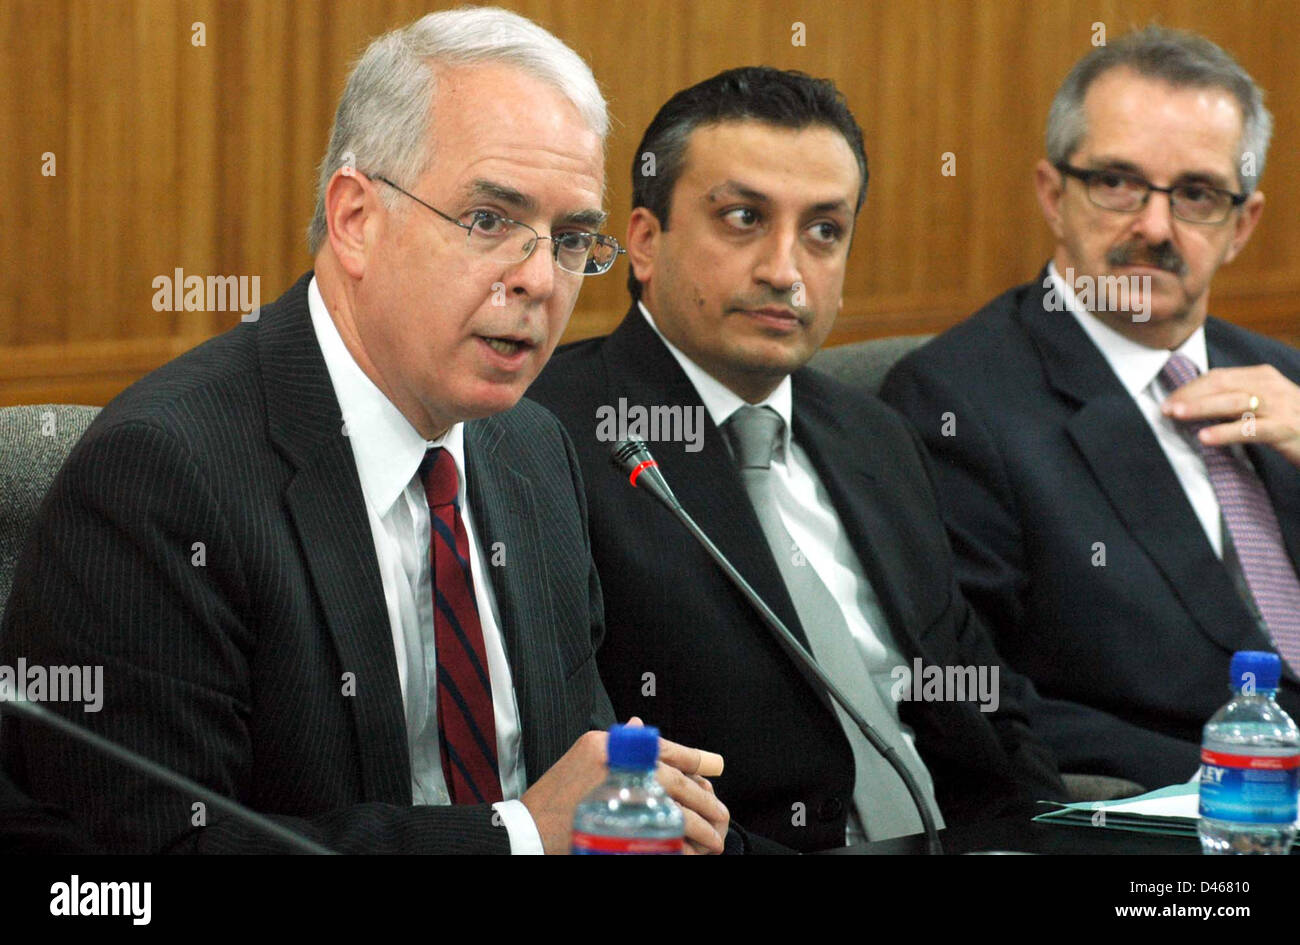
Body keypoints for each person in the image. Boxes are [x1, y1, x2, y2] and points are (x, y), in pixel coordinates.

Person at [0, 7, 731, 855]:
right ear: (354, 219)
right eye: (491, 220)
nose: (538, 280)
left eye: (571, 239)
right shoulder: (162, 476)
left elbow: (582, 775)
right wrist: (516, 836)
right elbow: (159, 856)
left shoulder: (533, 449)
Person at [528, 66, 1065, 853]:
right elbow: (602, 772)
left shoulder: (874, 435)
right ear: (644, 241)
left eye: (823, 231)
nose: (785, 270)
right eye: (744, 218)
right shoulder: (550, 437)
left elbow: (983, 707)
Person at [881, 26, 1300, 790]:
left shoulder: (1287, 379)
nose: (1153, 226)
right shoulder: (956, 399)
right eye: (1116, 182)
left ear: (1242, 225)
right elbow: (976, 693)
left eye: (1198, 194)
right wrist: (1257, 774)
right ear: (1053, 193)